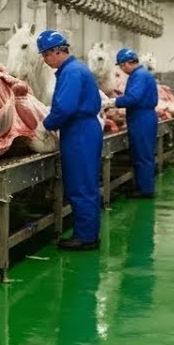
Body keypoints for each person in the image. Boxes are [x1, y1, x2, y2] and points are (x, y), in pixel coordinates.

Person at [37, 29, 105, 251]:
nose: (46, 61)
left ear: (57, 51)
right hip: (81, 129)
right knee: (85, 184)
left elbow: (65, 107)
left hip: (79, 132)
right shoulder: (74, 69)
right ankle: (87, 233)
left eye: (46, 55)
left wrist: (44, 126)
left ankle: (85, 238)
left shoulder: (71, 72)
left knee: (81, 185)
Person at [113, 48, 158, 198]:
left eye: (121, 65)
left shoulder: (139, 76)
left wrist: (114, 102)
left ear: (127, 64)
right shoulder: (141, 74)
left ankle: (145, 191)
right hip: (141, 117)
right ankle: (142, 186)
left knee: (142, 155)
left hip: (141, 118)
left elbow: (134, 98)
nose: (121, 68)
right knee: (141, 154)